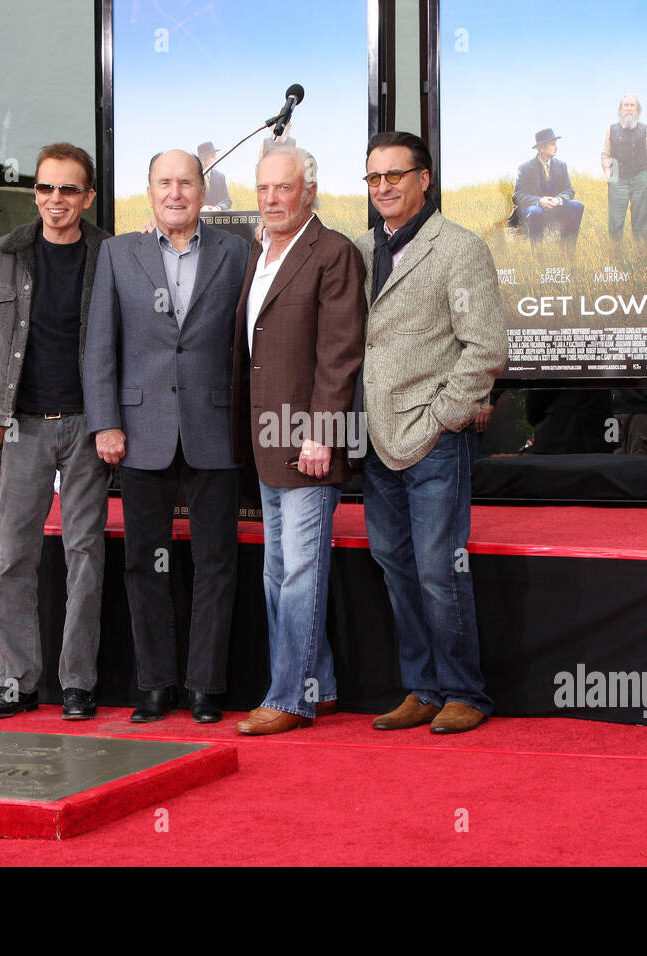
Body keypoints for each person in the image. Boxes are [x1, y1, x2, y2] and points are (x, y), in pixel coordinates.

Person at [85, 148, 249, 724]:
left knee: (217, 562)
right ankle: (154, 684)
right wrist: (105, 420)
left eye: (186, 183)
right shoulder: (116, 253)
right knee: (143, 563)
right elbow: (100, 344)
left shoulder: (237, 250)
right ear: (149, 191)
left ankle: (206, 686)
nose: (175, 193)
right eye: (164, 183)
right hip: (138, 431)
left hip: (215, 428)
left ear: (204, 192)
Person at [356, 132, 507, 734]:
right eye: (374, 178)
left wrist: (445, 415)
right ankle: (421, 688)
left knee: (440, 569)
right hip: (374, 437)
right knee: (395, 566)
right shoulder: (361, 248)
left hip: (434, 437)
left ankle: (464, 691)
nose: (385, 186)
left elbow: (486, 346)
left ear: (425, 179)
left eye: (396, 174)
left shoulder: (459, 248)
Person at [0, 143, 111, 720]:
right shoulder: (5, 254)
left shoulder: (110, 254)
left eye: (69, 190)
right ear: (35, 194)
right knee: (14, 556)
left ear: (88, 196)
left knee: (85, 554)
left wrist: (112, 423)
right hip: (20, 426)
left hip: (86, 426)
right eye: (47, 189)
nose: (57, 200)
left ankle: (78, 682)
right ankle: (16, 682)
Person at [229, 144, 366, 735]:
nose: (271, 200)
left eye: (282, 188)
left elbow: (340, 354)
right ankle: (322, 685)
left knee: (299, 573)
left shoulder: (332, 252)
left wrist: (322, 434)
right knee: (277, 570)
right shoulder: (258, 250)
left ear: (308, 191)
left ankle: (289, 698)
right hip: (266, 437)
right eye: (263, 189)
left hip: (309, 440)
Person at [509, 128, 585, 250]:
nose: (556, 147)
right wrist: (539, 201)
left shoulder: (561, 165)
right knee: (536, 211)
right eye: (552, 144)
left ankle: (567, 247)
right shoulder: (525, 168)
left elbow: (570, 190)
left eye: (556, 144)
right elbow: (516, 196)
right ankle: (537, 252)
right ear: (541, 148)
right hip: (533, 208)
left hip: (555, 207)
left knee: (578, 206)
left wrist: (558, 199)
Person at [602, 94, 647, 243]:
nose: (629, 109)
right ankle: (615, 258)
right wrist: (609, 176)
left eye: (632, 105)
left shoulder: (646, 130)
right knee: (615, 223)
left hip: (640, 177)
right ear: (620, 109)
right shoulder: (611, 129)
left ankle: (641, 258)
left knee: (641, 223)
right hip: (617, 178)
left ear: (638, 109)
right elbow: (605, 154)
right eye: (626, 105)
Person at [198, 141, 232, 210]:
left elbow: (227, 200)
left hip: (217, 214)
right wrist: (202, 208)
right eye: (212, 157)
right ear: (203, 160)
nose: (216, 159)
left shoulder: (220, 176)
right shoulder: (194, 176)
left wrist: (217, 208)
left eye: (215, 156)